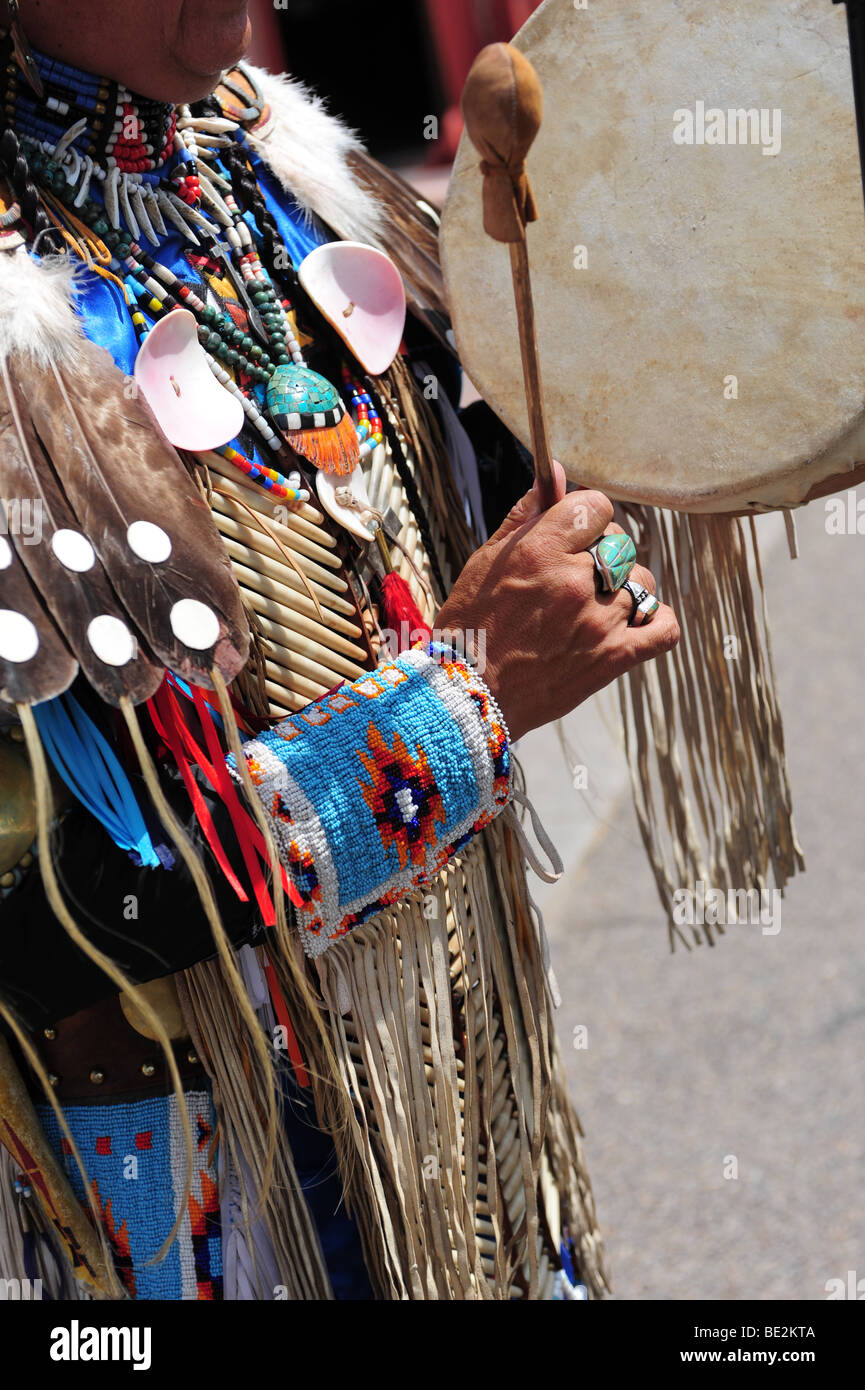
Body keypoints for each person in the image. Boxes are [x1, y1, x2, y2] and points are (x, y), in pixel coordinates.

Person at [0, 0, 678, 1301]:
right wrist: (458, 703)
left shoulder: (280, 165)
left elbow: (482, 506)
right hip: (199, 1201)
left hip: (461, 1115)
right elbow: (36, 917)